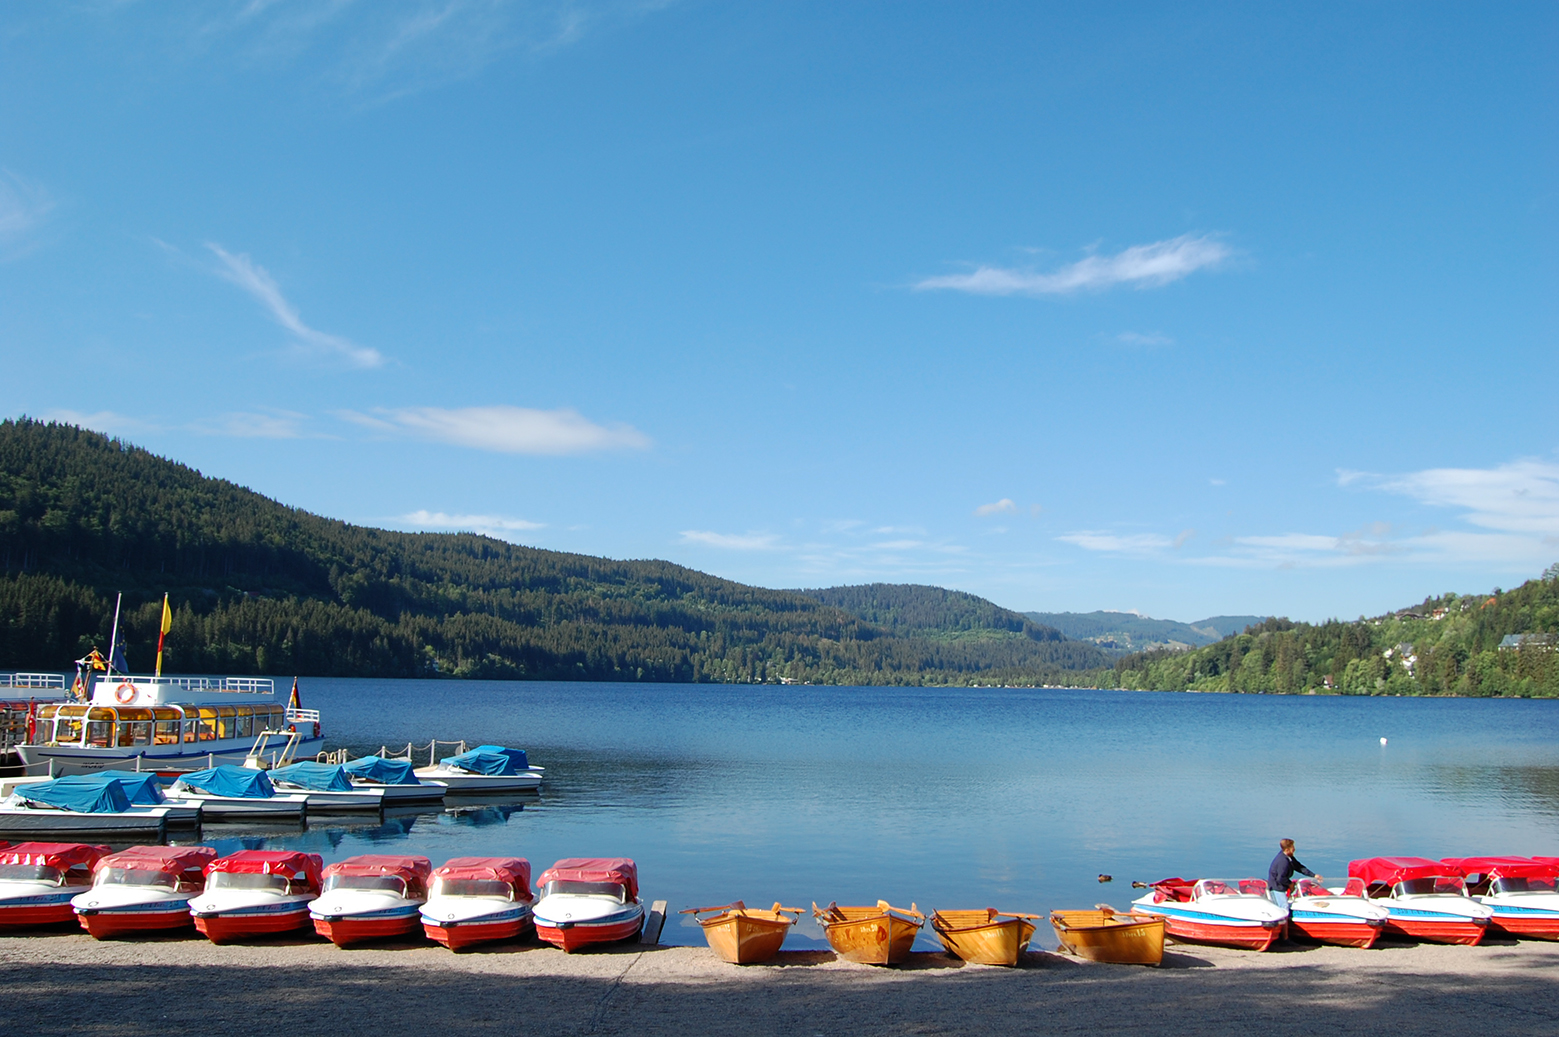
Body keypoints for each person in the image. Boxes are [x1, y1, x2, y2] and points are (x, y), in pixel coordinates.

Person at [1268, 838, 1321, 905]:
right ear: (1287, 850)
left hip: (1282, 886)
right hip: (1277, 887)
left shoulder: (1289, 857)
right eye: (1292, 847)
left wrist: (1314, 875)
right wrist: (1290, 884)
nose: (1294, 849)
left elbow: (1299, 867)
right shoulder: (1283, 861)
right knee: (1284, 907)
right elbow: (1281, 878)